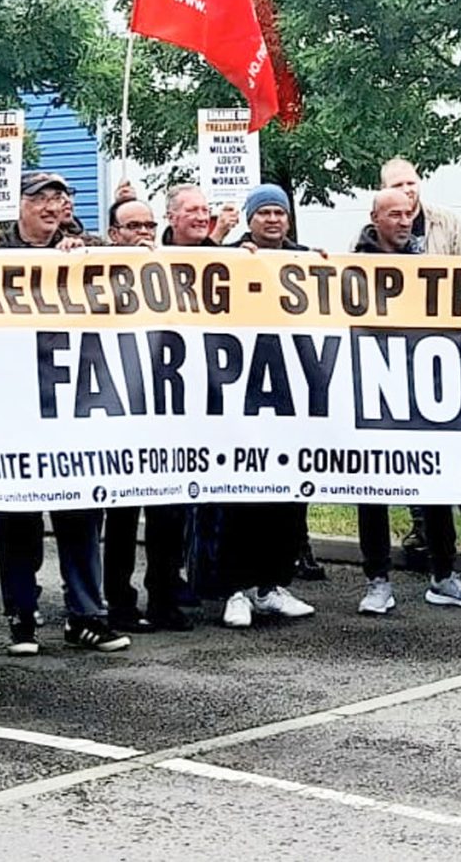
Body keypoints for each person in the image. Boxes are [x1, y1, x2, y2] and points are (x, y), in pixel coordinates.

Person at [0, 171, 127, 652]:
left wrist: (89, 255)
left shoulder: (83, 247)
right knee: (15, 522)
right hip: (9, 411)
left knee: (81, 516)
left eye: (60, 198)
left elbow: (142, 262)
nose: (52, 206)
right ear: (18, 206)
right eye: (41, 198)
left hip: (71, 408)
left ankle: (87, 616)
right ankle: (22, 615)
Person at [350, 186, 461, 613]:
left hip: (427, 388)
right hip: (374, 389)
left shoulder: (431, 266)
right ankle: (377, 580)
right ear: (375, 218)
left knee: (436, 484)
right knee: (372, 488)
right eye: (393, 214)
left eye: (409, 213)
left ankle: (444, 575)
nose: (404, 220)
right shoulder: (353, 267)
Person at [102, 187, 215, 633]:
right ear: (114, 233)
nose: (144, 233)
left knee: (168, 515)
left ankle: (165, 598)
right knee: (123, 517)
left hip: (169, 410)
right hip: (120, 410)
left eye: (150, 225)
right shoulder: (96, 266)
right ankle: (119, 603)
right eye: (134, 226)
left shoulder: (175, 264)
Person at [211, 182, 323, 626]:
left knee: (287, 500)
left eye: (279, 213)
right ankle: (235, 590)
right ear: (250, 219)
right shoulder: (231, 259)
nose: (273, 220)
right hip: (240, 387)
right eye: (264, 213)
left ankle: (272, 584)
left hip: (289, 389)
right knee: (240, 498)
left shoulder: (307, 259)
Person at [372, 156, 461, 256]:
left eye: (411, 183)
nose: (406, 190)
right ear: (384, 189)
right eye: (398, 185)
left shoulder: (447, 222)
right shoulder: (371, 232)